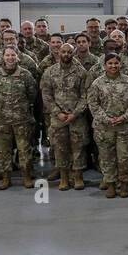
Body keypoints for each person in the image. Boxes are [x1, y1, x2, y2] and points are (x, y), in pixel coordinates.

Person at [0, 46, 39, 189]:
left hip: (22, 120)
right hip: (2, 120)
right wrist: (1, 108)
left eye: (13, 55)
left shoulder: (26, 75)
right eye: (7, 55)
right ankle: (6, 178)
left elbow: (32, 94)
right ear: (2, 57)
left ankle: (27, 177)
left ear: (17, 57)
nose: (10, 58)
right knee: (4, 151)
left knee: (24, 150)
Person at [88, 53, 128, 199]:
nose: (113, 66)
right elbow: (93, 104)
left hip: (126, 127)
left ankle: (124, 185)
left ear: (120, 64)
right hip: (104, 128)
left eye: (116, 63)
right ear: (104, 65)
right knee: (106, 157)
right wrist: (106, 119)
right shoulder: (97, 83)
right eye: (110, 63)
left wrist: (124, 117)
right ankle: (110, 184)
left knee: (124, 157)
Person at [41, 42, 89, 191]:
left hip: (77, 117)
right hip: (58, 117)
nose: (66, 55)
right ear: (58, 53)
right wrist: (58, 113)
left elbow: (85, 95)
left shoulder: (81, 72)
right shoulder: (50, 72)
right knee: (60, 148)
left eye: (69, 52)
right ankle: (64, 178)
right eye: (63, 52)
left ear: (73, 53)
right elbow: (46, 95)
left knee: (78, 148)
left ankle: (78, 177)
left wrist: (75, 113)